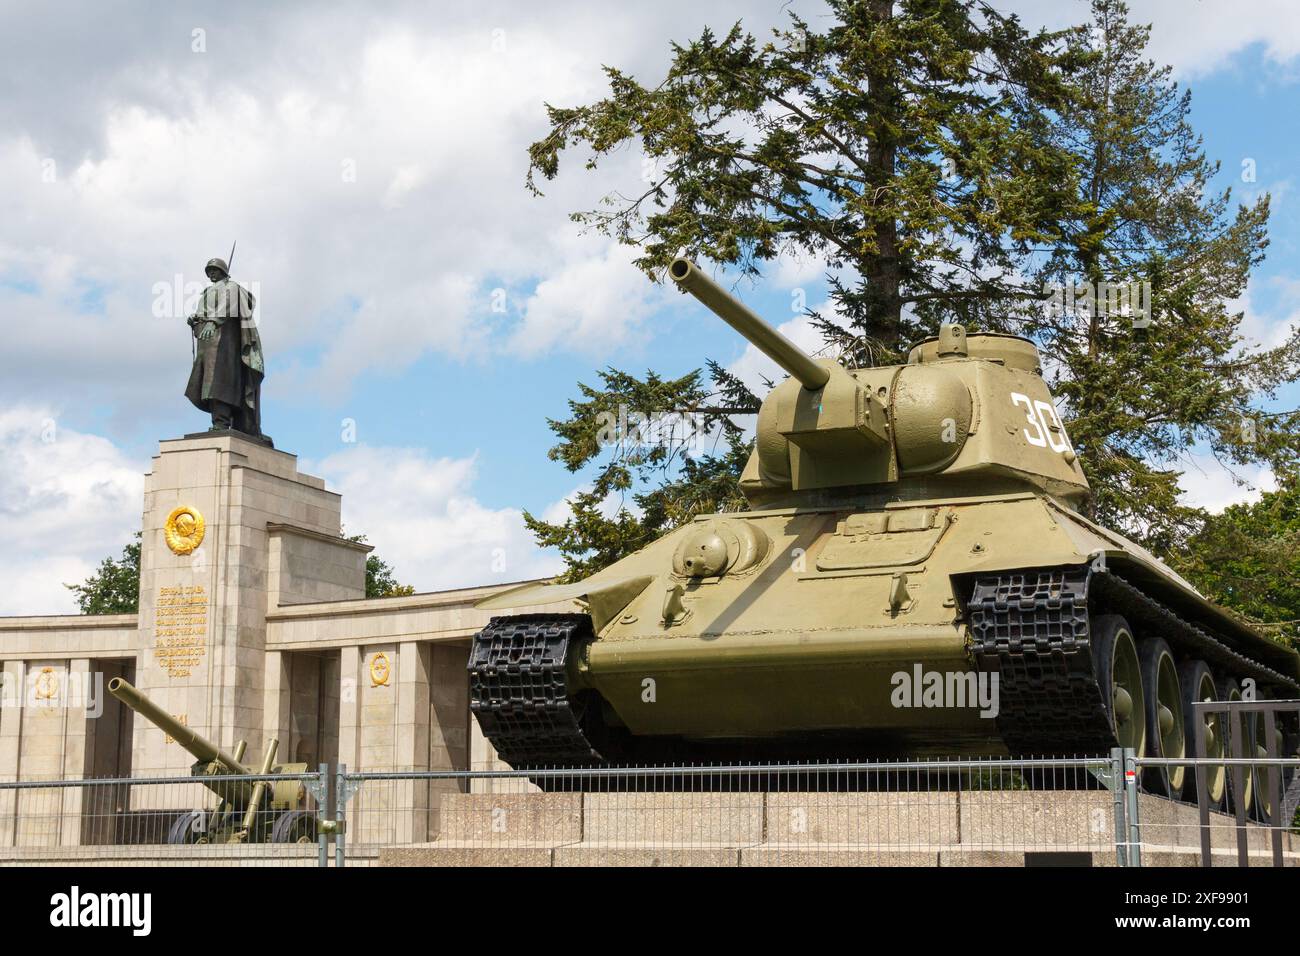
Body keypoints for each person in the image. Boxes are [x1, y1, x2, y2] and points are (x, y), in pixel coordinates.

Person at [184, 257, 266, 439]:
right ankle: (218, 421)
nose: (211, 273)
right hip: (207, 341)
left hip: (223, 340)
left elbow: (227, 306)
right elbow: (203, 311)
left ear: (223, 271)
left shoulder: (231, 287)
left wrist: (213, 322)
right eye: (209, 271)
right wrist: (195, 318)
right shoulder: (207, 291)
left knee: (218, 381)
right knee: (206, 381)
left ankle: (221, 421)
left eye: (214, 270)